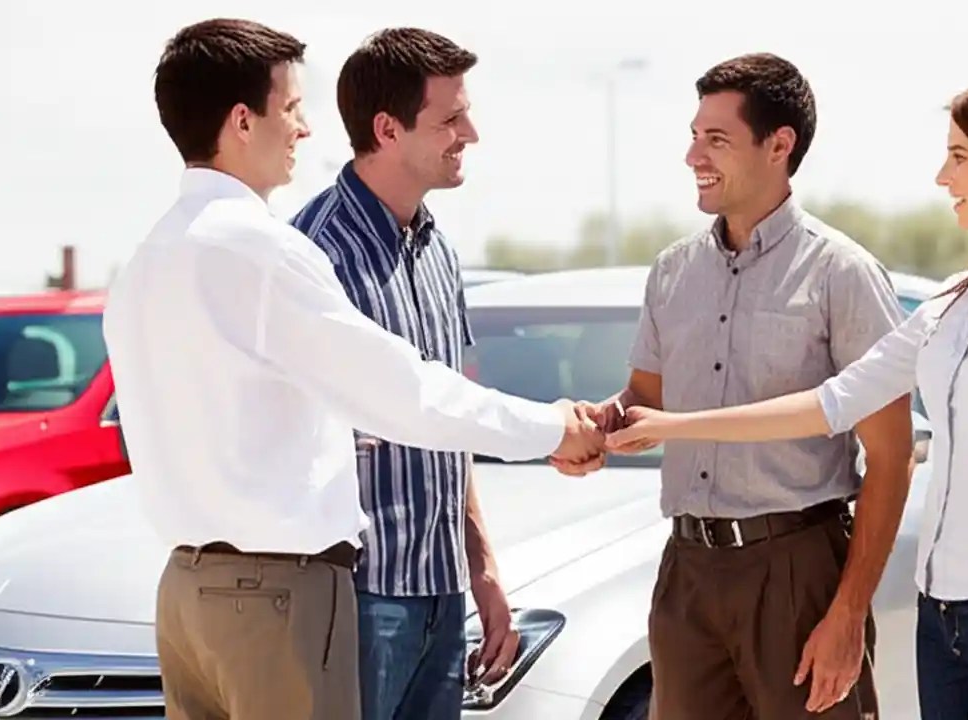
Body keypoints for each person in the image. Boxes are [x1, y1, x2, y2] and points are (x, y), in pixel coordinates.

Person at [103, 18, 602, 720]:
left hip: (187, 595)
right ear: (243, 122)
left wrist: (478, 565)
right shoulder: (271, 252)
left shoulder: (142, 266)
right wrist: (552, 426)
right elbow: (405, 394)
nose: (305, 130)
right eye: (293, 109)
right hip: (283, 597)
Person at [606, 70, 968, 720]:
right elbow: (830, 403)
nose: (943, 177)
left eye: (959, 157)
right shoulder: (951, 303)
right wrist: (672, 426)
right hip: (940, 615)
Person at [557, 53, 915, 719]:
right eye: (694, 135)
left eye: (715, 139)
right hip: (687, 573)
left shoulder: (844, 274)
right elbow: (645, 399)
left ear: (780, 145)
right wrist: (595, 426)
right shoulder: (671, 272)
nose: (693, 155)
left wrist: (847, 612)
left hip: (796, 573)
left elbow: (891, 460)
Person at [288, 27, 552, 720]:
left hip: (441, 595)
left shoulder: (441, 253)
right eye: (449, 118)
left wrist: (483, 570)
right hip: (356, 599)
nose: (471, 132)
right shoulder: (310, 258)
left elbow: (450, 419)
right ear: (386, 129)